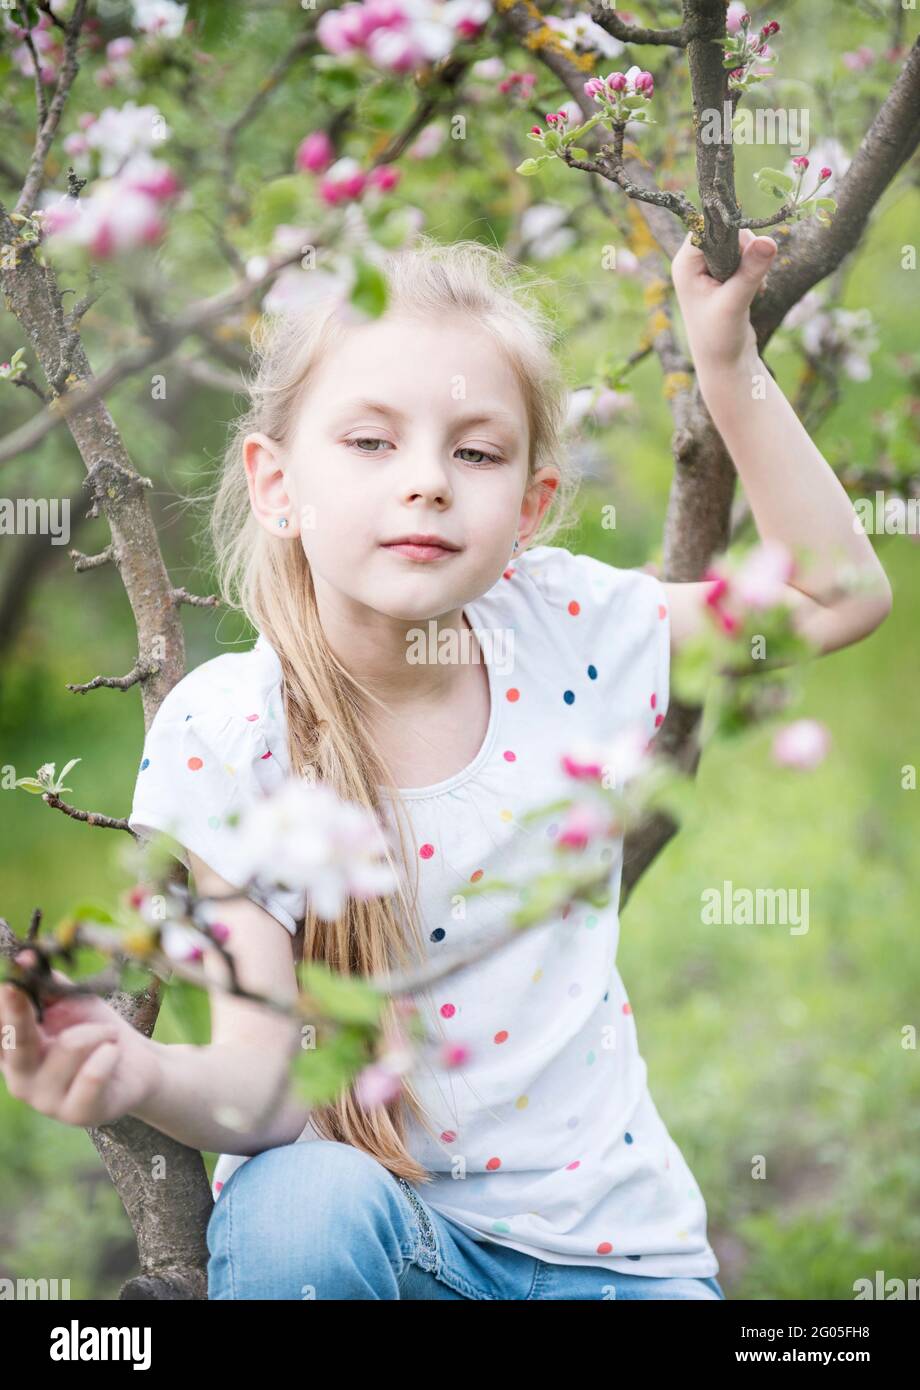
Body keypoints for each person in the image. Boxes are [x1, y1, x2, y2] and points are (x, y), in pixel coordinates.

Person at [0, 232, 891, 1301]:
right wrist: (131, 1070)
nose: (425, 482)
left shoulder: (569, 628)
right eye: (371, 442)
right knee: (296, 1207)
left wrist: (724, 361)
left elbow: (831, 597)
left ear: (524, 508)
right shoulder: (229, 732)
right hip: (378, 1246)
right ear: (275, 485)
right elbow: (262, 1086)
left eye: (473, 453)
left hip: (609, 1263)